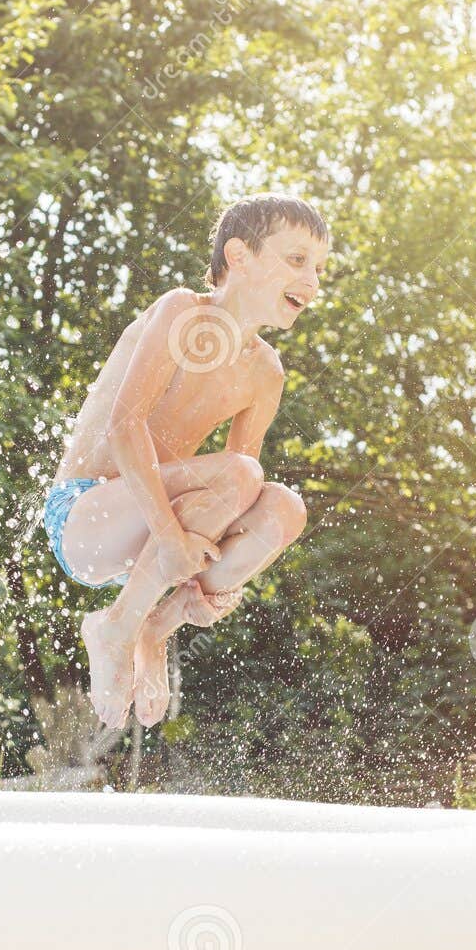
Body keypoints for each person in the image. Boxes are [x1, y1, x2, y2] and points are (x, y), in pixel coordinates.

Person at [43, 193, 327, 729]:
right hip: (86, 518)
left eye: (318, 267)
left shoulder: (267, 372)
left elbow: (232, 504)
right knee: (241, 472)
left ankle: (156, 627)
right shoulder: (182, 312)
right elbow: (123, 428)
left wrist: (215, 584)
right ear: (239, 257)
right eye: (296, 260)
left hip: (152, 542)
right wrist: (173, 541)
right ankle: (116, 626)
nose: (312, 281)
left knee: (284, 508)